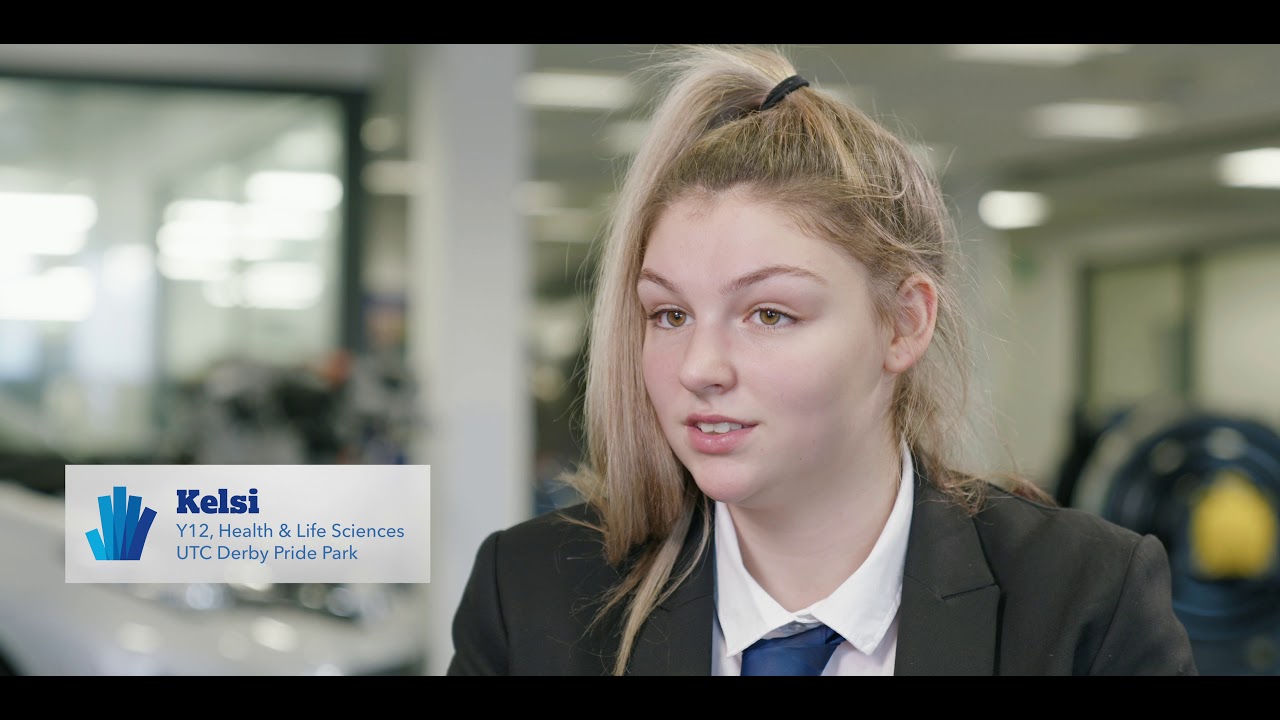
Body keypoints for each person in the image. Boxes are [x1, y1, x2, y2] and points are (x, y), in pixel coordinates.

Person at [447, 45, 1198, 676]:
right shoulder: (529, 594)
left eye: (770, 314)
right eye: (669, 315)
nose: (700, 366)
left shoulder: (1084, 601)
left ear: (904, 324)